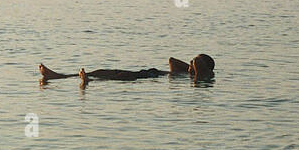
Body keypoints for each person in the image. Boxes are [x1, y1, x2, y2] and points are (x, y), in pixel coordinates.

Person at [38, 54, 215, 84]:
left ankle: (88, 81)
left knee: (118, 77)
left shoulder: (199, 78)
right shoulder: (186, 73)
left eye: (195, 62)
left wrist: (195, 63)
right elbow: (171, 60)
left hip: (146, 78)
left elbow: (200, 67)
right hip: (146, 72)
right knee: (102, 71)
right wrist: (190, 65)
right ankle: (59, 76)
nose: (192, 62)